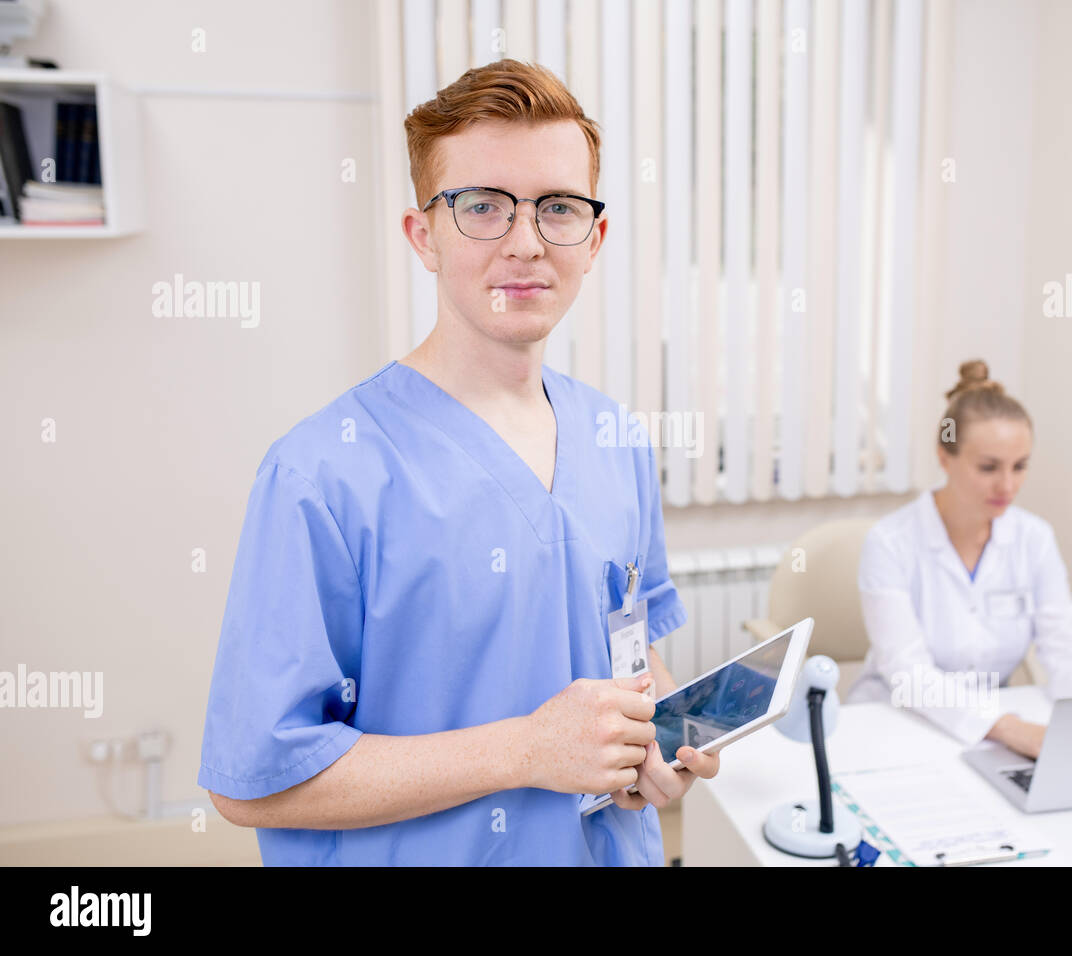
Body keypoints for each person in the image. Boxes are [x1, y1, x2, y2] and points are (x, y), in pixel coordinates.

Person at [197, 59, 719, 866]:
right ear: (424, 235)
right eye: (482, 206)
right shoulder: (324, 475)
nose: (526, 243)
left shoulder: (615, 437)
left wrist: (658, 750)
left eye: (558, 208)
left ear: (595, 237)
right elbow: (251, 782)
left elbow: (632, 647)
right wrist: (525, 751)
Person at [845, 360, 1072, 759]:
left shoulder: (1034, 539)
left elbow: (1069, 653)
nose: (1007, 485)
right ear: (945, 456)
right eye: (988, 467)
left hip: (988, 734)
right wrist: (1008, 728)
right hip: (894, 724)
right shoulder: (890, 543)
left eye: (1020, 467)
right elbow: (908, 672)